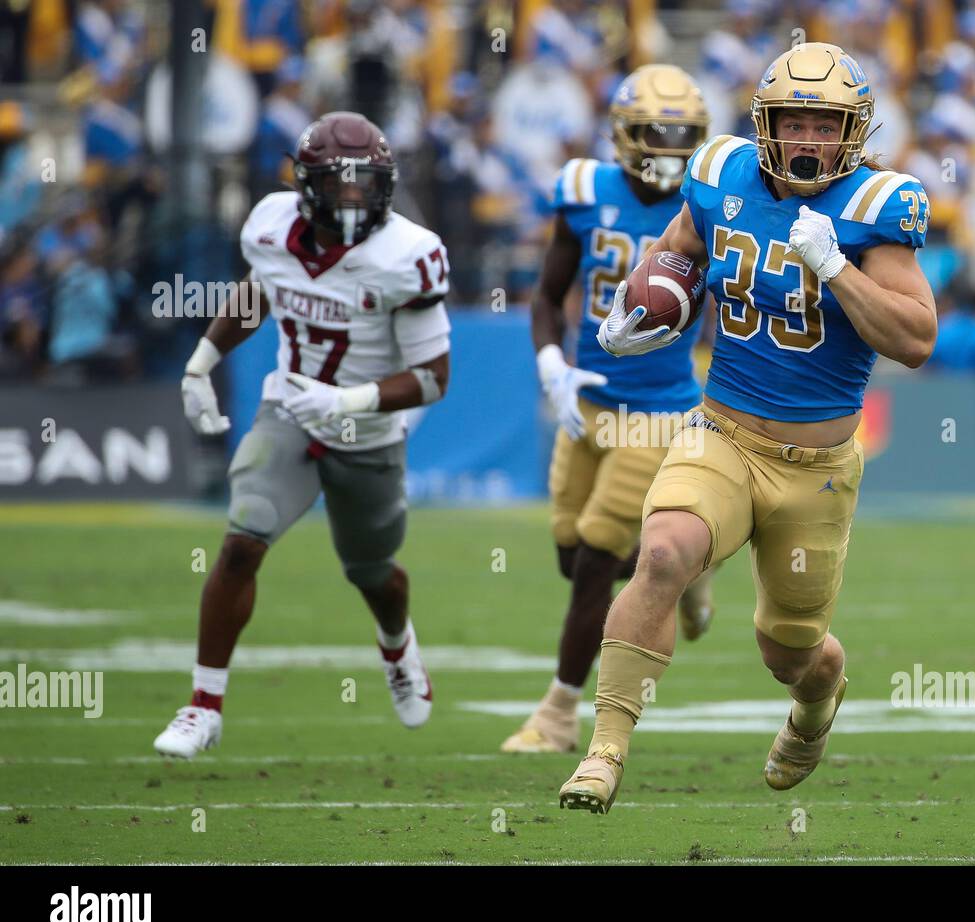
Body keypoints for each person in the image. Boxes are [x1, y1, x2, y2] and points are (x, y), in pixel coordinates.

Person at [558, 43, 937, 812]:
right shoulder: (719, 173)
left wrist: (837, 271)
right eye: (793, 120)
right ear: (765, 122)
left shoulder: (874, 209)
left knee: (790, 652)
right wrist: (642, 312)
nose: (807, 139)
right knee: (661, 552)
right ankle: (603, 752)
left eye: (824, 125)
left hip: (815, 468)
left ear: (853, 132)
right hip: (722, 430)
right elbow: (678, 256)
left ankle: (816, 701)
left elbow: (916, 340)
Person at [153, 112, 452, 758]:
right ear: (307, 185)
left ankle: (398, 647)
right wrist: (201, 363)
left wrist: (348, 398)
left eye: (366, 184)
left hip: (368, 430)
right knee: (242, 538)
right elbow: (260, 293)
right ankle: (204, 705)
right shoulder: (271, 226)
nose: (354, 198)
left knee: (374, 573)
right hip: (289, 409)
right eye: (340, 184)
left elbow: (432, 379)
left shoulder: (409, 254)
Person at [501, 64, 715, 755]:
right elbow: (546, 295)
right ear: (625, 134)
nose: (669, 148)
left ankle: (559, 715)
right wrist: (549, 365)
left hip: (658, 411)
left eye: (683, 136)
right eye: (656, 133)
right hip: (587, 402)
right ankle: (682, 565)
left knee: (596, 560)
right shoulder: (584, 190)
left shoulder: (710, 204)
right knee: (571, 557)